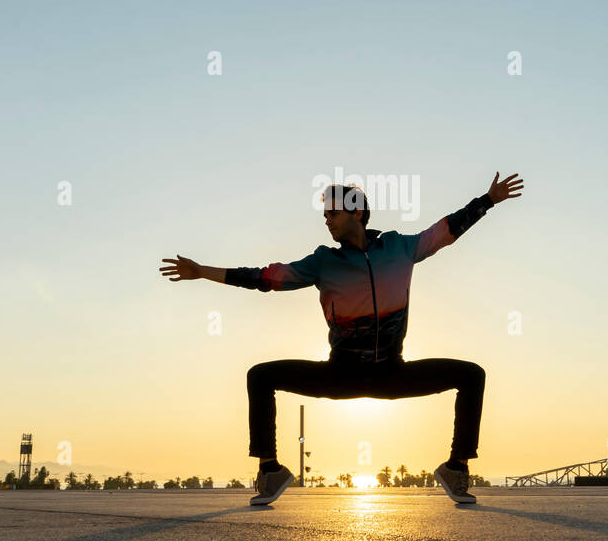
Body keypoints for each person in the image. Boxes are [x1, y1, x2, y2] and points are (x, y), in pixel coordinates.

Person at [161, 172, 523, 506]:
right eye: (325, 214)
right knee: (260, 375)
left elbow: (445, 230)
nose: (327, 219)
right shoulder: (322, 262)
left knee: (472, 375)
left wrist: (488, 200)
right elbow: (264, 278)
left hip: (391, 373)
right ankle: (270, 471)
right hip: (340, 374)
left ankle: (456, 469)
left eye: (333, 212)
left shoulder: (400, 248)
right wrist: (202, 272)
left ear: (358, 213)